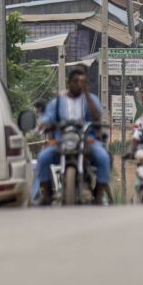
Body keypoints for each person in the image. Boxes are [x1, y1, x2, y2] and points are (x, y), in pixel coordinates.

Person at [34, 68, 111, 203]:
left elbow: (97, 116)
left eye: (82, 82)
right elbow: (47, 117)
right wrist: (45, 124)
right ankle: (46, 193)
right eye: (76, 81)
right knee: (43, 157)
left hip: (87, 139)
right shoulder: (58, 101)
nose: (79, 84)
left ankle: (98, 196)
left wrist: (86, 92)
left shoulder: (91, 99)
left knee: (103, 157)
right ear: (69, 83)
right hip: (61, 140)